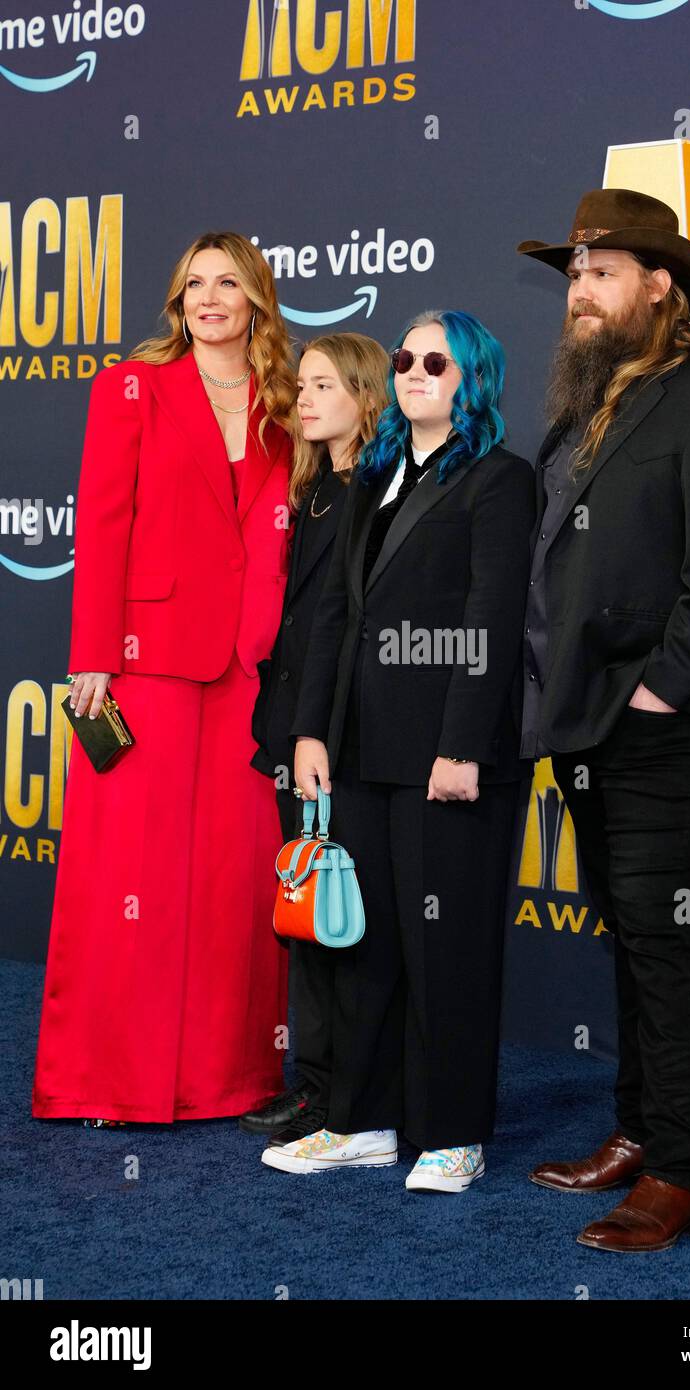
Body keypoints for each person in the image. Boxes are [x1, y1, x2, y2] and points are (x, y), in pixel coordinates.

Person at [517, 189, 690, 1249]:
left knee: (661, 941)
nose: (579, 290)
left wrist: (656, 691)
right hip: (585, 726)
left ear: (660, 285)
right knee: (627, 935)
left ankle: (680, 1169)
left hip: (669, 719)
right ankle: (634, 1130)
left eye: (602, 271)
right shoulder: (590, 403)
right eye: (573, 273)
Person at [260, 309, 535, 1192]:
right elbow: (335, 616)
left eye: (438, 362)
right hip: (360, 751)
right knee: (363, 950)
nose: (416, 371)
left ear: (473, 381)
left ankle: (454, 1133)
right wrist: (311, 732)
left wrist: (459, 750)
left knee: (445, 950)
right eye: (408, 358)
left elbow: (491, 618)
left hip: (450, 760)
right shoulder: (373, 477)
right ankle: (362, 1120)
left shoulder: (500, 481)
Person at [32, 232, 297, 1124]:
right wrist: (94, 657)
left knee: (235, 877)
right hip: (146, 662)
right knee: (132, 876)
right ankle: (111, 1079)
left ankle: (232, 1078)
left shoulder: (287, 398)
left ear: (257, 296)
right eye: (194, 285)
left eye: (228, 283)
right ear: (177, 300)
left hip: (251, 669)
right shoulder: (130, 387)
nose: (209, 299)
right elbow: (102, 525)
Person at [240, 332, 390, 1143]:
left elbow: (343, 629)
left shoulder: (371, 492)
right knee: (304, 913)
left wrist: (311, 734)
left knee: (338, 917)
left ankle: (343, 1100)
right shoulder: (317, 488)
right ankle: (317, 1087)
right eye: (301, 384)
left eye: (323, 385)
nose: (302, 398)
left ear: (366, 396)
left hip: (329, 738)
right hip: (292, 728)